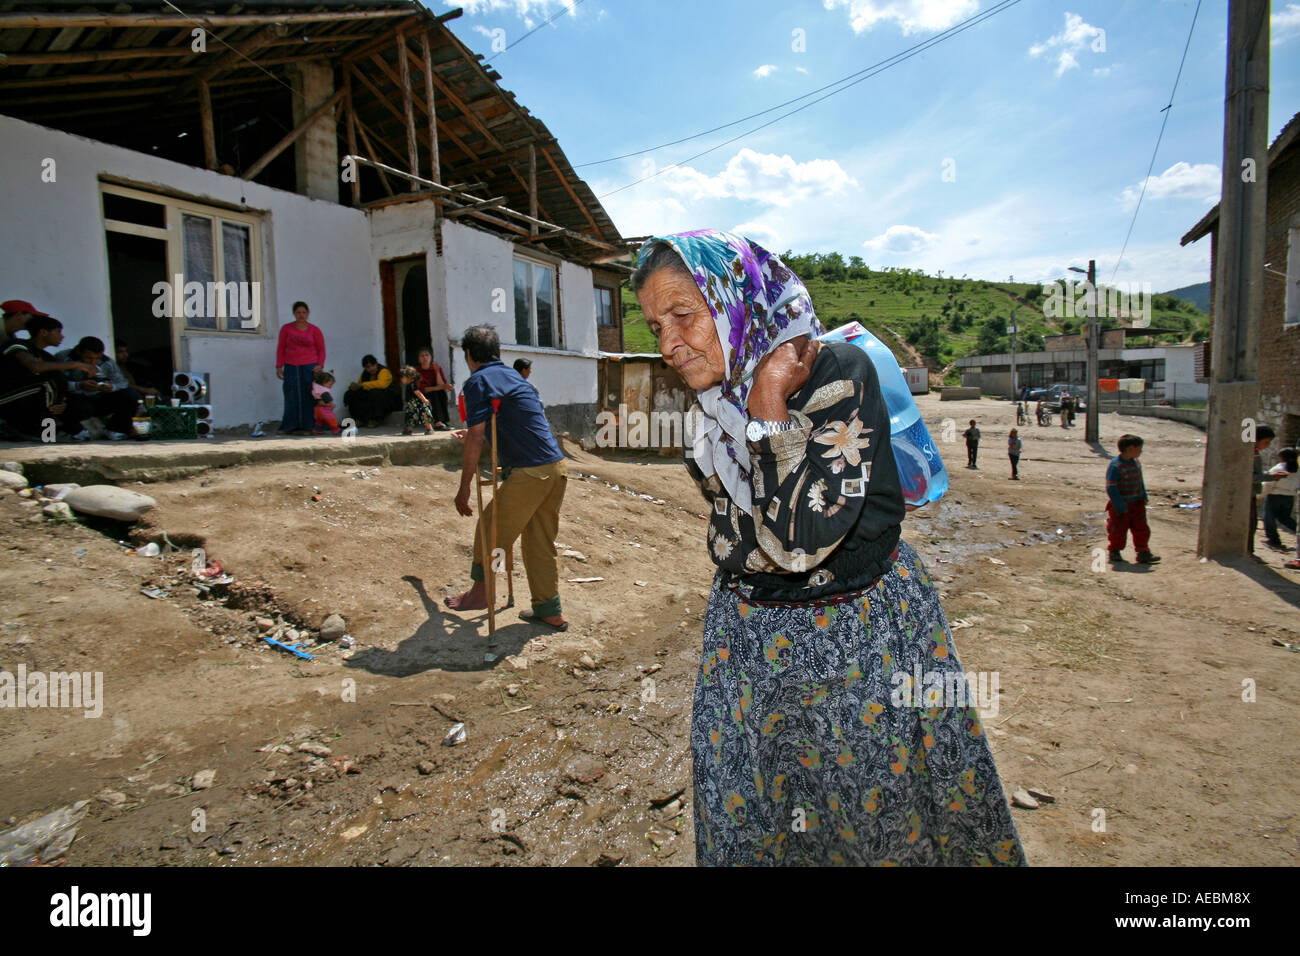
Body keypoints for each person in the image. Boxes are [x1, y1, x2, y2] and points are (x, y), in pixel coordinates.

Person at [631, 230, 1024, 866]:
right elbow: (731, 528)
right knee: (757, 814)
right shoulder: (710, 407)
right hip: (750, 643)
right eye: (654, 326)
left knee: (871, 816)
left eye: (683, 315)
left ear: (739, 300)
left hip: (858, 638)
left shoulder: (839, 376)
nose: (670, 343)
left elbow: (794, 543)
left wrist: (767, 406)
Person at [445, 325, 569, 632]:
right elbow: (508, 424)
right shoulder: (515, 377)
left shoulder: (478, 381)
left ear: (469, 355)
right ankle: (549, 609)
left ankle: (480, 594)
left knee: (490, 530)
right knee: (539, 541)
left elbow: (476, 438)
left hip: (530, 472)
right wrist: (480, 433)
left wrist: (463, 490)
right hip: (555, 468)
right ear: (497, 353)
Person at [0, 316, 95, 440]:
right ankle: (47, 432)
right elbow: (34, 367)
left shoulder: (48, 357)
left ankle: (50, 429)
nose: (62, 337)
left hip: (29, 400)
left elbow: (61, 383)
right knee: (48, 381)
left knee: (79, 403)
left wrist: (62, 402)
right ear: (43, 332)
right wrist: (76, 364)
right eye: (58, 332)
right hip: (5, 395)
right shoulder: (18, 345)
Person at [54, 336, 138, 439]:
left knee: (130, 394)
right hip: (74, 401)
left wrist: (111, 387)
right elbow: (55, 383)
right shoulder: (63, 358)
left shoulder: (107, 362)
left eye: (97, 358)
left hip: (99, 399)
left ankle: (115, 430)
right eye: (89, 358)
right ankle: (74, 430)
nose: (93, 362)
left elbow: (122, 383)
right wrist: (79, 385)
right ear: (79, 352)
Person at [1106, 433, 1160, 565]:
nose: (1141, 452)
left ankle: (1143, 552)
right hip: (1121, 505)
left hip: (1137, 503)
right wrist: (1119, 504)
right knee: (1118, 530)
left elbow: (1140, 481)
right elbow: (1111, 487)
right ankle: (1114, 551)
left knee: (1141, 528)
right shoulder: (1116, 466)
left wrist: (1144, 496)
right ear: (1130, 448)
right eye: (1139, 449)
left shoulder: (1136, 463)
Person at [275, 301, 326, 435]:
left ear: (308, 314)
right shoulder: (286, 329)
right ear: (294, 313)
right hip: (291, 365)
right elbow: (281, 348)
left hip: (310, 366)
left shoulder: (314, 330)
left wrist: (320, 365)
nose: (301, 315)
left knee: (309, 395)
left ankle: (309, 426)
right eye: (298, 312)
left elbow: (321, 349)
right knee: (291, 394)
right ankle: (289, 426)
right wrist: (279, 366)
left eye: (304, 312)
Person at [343, 354, 400, 428]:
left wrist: (363, 385)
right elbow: (360, 384)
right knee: (351, 394)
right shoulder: (365, 374)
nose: (371, 369)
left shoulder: (384, 371)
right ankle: (360, 419)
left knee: (375, 393)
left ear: (376, 364)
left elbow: (382, 384)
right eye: (368, 367)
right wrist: (353, 387)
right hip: (371, 397)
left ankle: (375, 419)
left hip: (389, 399)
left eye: (372, 366)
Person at [1261, 446, 1297, 553]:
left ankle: (1274, 540)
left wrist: (1261, 496)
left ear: (1281, 457)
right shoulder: (1297, 470)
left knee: (1269, 518)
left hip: (1275, 496)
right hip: (1289, 497)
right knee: (1285, 518)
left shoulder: (1278, 468)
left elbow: (1268, 484)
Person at [1250, 425, 1278, 555]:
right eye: (1266, 442)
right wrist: (1271, 476)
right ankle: (1248, 551)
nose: (1267, 445)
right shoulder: (1250, 454)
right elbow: (1250, 476)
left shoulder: (1254, 453)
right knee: (1250, 524)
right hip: (1247, 493)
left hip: (1251, 493)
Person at [414, 348, 451, 429]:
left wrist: (437, 371)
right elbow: (423, 389)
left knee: (441, 393)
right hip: (421, 394)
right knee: (434, 394)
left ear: (431, 357)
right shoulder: (417, 371)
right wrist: (440, 387)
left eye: (427, 355)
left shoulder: (436, 368)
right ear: (418, 359)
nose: (425, 358)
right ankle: (437, 422)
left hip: (436, 391)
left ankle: (445, 421)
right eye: (422, 356)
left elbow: (441, 385)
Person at [399, 365, 434, 436]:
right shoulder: (409, 384)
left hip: (417, 404)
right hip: (411, 404)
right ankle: (409, 430)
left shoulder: (412, 385)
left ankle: (430, 429)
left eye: (402, 377)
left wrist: (424, 399)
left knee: (423, 415)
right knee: (411, 416)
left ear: (408, 377)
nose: (401, 379)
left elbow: (417, 392)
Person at [312, 369, 341, 435]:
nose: (331, 386)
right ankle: (336, 429)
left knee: (319, 421)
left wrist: (330, 373)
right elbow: (327, 398)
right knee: (331, 419)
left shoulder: (317, 386)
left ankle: (317, 430)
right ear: (324, 382)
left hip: (317, 409)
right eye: (330, 384)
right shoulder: (324, 391)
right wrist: (331, 404)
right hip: (324, 409)